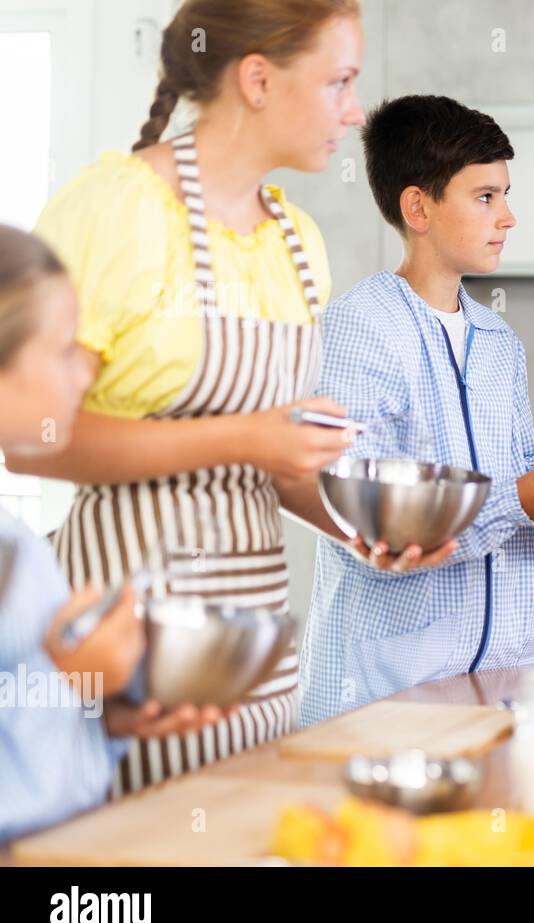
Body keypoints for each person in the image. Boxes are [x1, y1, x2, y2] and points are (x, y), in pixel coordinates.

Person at [5, 0, 366, 792]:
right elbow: (31, 434)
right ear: (259, 79)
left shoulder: (297, 243)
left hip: (251, 650)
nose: (354, 109)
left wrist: (361, 527)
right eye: (339, 81)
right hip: (133, 648)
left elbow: (274, 458)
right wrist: (244, 438)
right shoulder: (116, 209)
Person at [293, 95, 534, 724]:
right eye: (485, 197)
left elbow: (519, 510)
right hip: (389, 698)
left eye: (505, 195)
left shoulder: (499, 343)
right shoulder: (361, 328)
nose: (508, 217)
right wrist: (519, 500)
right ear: (417, 207)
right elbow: (368, 520)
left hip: (508, 688)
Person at [0, 225, 149, 840]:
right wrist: (69, 681)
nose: (84, 376)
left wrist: (106, 715)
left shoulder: (18, 546)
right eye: (64, 351)